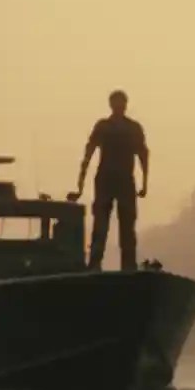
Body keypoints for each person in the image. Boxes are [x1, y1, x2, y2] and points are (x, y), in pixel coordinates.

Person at [70, 89, 149, 271]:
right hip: (106, 179)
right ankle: (96, 263)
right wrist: (80, 183)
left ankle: (127, 266)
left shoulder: (132, 128)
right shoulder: (104, 127)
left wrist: (145, 183)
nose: (119, 106)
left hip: (123, 180)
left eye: (121, 103)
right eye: (117, 103)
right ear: (111, 105)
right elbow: (88, 153)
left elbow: (143, 155)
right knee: (101, 224)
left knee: (127, 225)